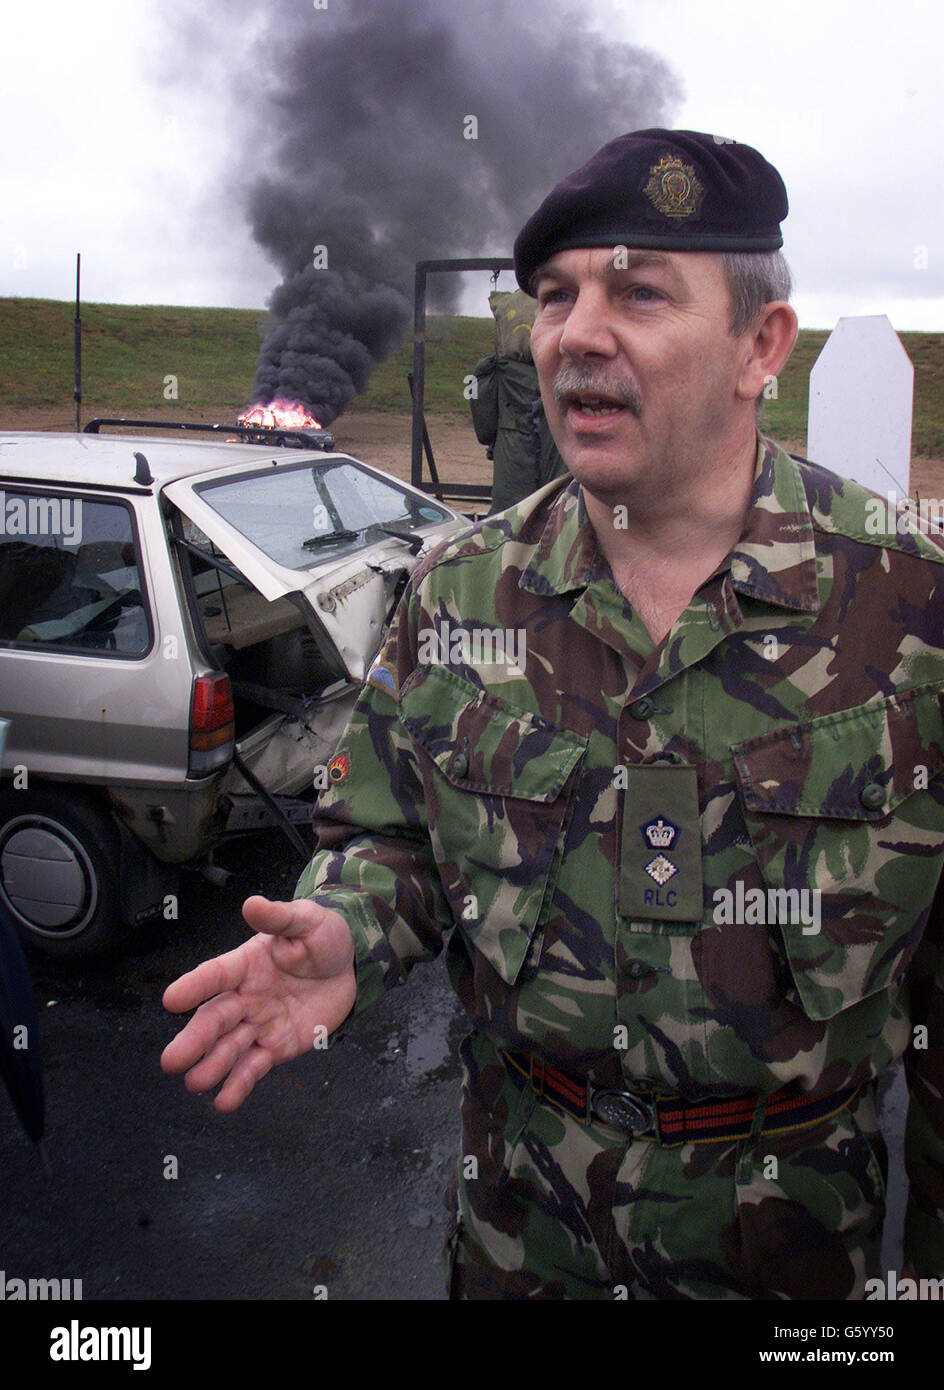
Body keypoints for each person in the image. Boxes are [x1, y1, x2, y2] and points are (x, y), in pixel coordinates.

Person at [162, 129, 944, 1300]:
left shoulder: (906, 605)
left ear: (758, 345)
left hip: (786, 1249)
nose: (576, 333)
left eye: (637, 292)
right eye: (554, 296)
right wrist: (349, 929)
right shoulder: (461, 590)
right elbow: (388, 837)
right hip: (522, 1236)